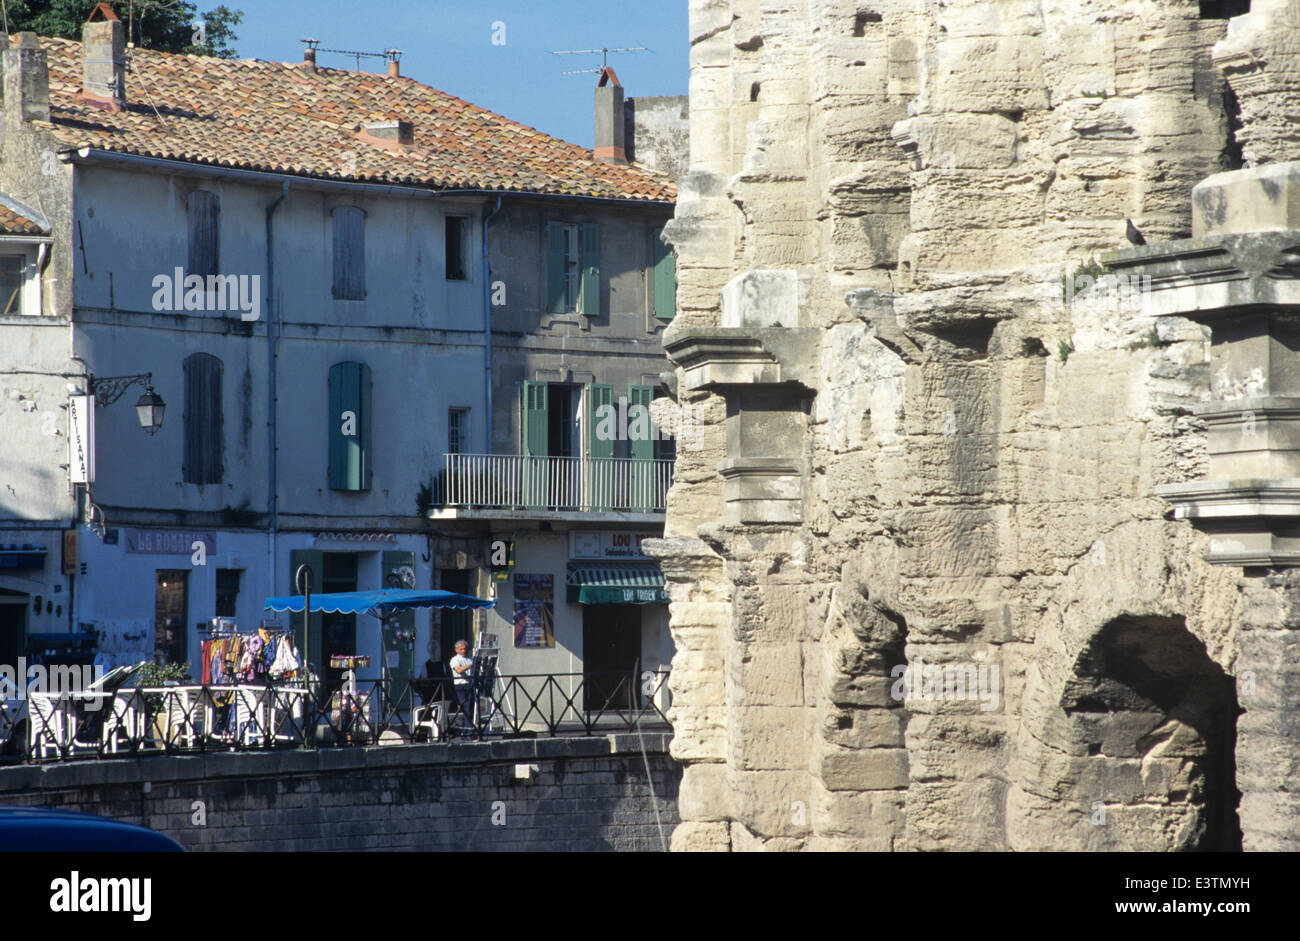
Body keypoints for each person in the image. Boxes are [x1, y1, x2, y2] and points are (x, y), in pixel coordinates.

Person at [449, 640, 473, 727]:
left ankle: (469, 728)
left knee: (470, 707)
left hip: (469, 684)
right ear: (456, 650)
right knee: (465, 707)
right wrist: (470, 665)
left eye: (465, 649)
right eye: (461, 649)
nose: (464, 651)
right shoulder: (455, 659)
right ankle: (467, 730)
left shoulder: (469, 659)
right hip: (460, 686)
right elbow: (458, 670)